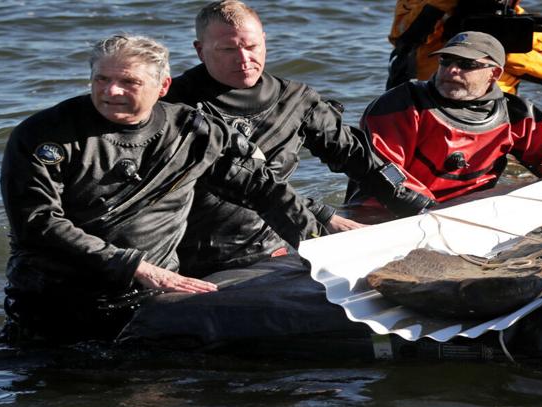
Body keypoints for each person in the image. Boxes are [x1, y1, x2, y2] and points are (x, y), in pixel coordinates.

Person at [0, 34, 315, 345]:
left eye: (129, 82)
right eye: (101, 79)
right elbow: (38, 223)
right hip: (58, 301)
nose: (111, 91)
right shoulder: (44, 135)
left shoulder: (193, 132)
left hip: (155, 298)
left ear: (162, 87)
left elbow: (263, 190)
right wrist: (136, 266)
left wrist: (319, 245)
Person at [167, 1, 429, 276]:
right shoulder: (174, 108)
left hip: (273, 242)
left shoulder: (295, 101)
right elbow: (239, 181)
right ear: (200, 51)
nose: (243, 60)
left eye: (251, 47)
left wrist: (420, 207)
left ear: (264, 41)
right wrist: (324, 217)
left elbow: (358, 159)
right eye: (228, 49)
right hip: (191, 254)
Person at [352, 30, 542, 212]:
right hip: (388, 213)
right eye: (446, 61)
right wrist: (435, 211)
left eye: (467, 65)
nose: (451, 70)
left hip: (471, 211)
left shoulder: (514, 112)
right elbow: (383, 175)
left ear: (494, 74)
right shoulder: (400, 105)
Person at [388, 0, 542, 95]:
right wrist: (441, 9)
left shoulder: (515, 21)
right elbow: (403, 37)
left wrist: (500, 50)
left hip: (494, 107)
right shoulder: (424, 5)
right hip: (428, 100)